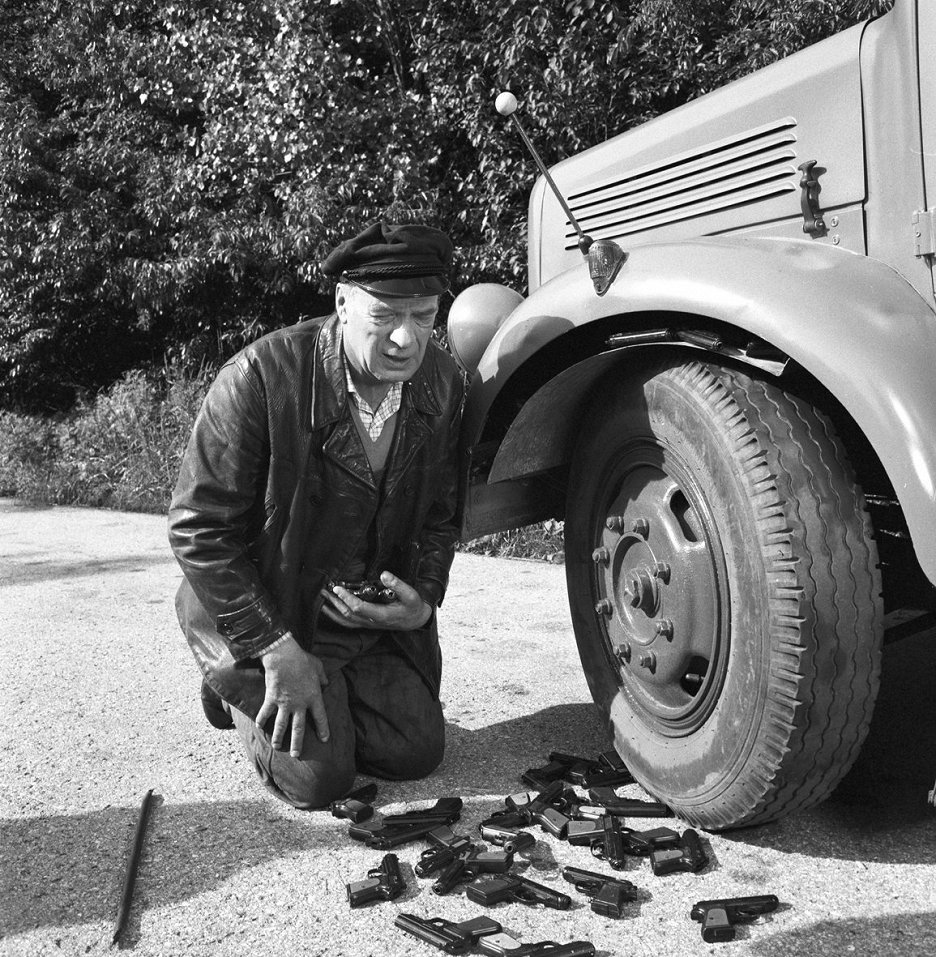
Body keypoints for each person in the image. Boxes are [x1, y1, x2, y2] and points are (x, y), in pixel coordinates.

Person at [168, 222, 463, 809]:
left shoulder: (445, 383)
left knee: (416, 754)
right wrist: (275, 648)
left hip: (363, 621)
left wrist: (423, 596)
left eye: (425, 316)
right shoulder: (258, 378)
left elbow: (441, 514)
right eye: (384, 315)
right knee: (320, 783)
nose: (406, 338)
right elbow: (198, 527)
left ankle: (323, 694)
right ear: (342, 302)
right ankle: (233, 684)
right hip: (271, 607)